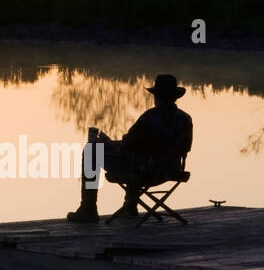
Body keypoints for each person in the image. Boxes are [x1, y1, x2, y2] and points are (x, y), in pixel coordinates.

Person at [66, 74, 193, 223]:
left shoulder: (149, 117)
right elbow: (186, 147)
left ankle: (88, 209)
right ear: (175, 97)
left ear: (156, 96)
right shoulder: (185, 119)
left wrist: (107, 143)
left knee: (91, 150)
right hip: (172, 169)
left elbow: (128, 144)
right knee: (139, 156)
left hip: (146, 172)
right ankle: (130, 206)